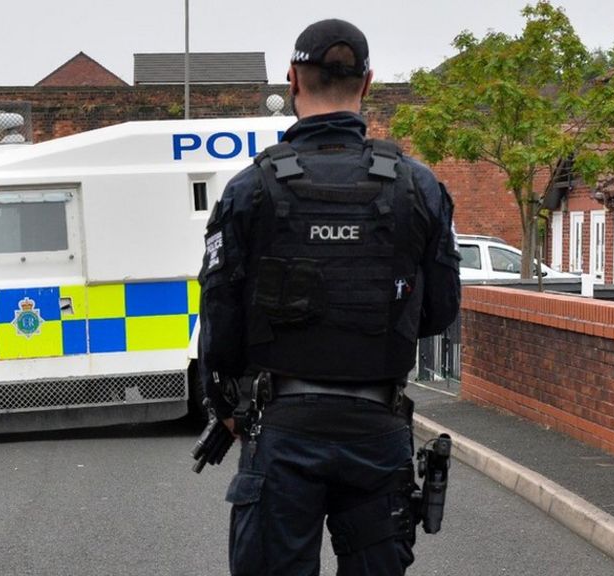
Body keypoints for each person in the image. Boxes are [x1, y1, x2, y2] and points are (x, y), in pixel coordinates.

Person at [198, 19, 461, 576]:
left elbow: (219, 326)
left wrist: (227, 409)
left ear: (292, 79)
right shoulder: (419, 187)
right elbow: (441, 312)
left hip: (283, 431)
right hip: (377, 429)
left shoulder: (250, 188)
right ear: (367, 84)